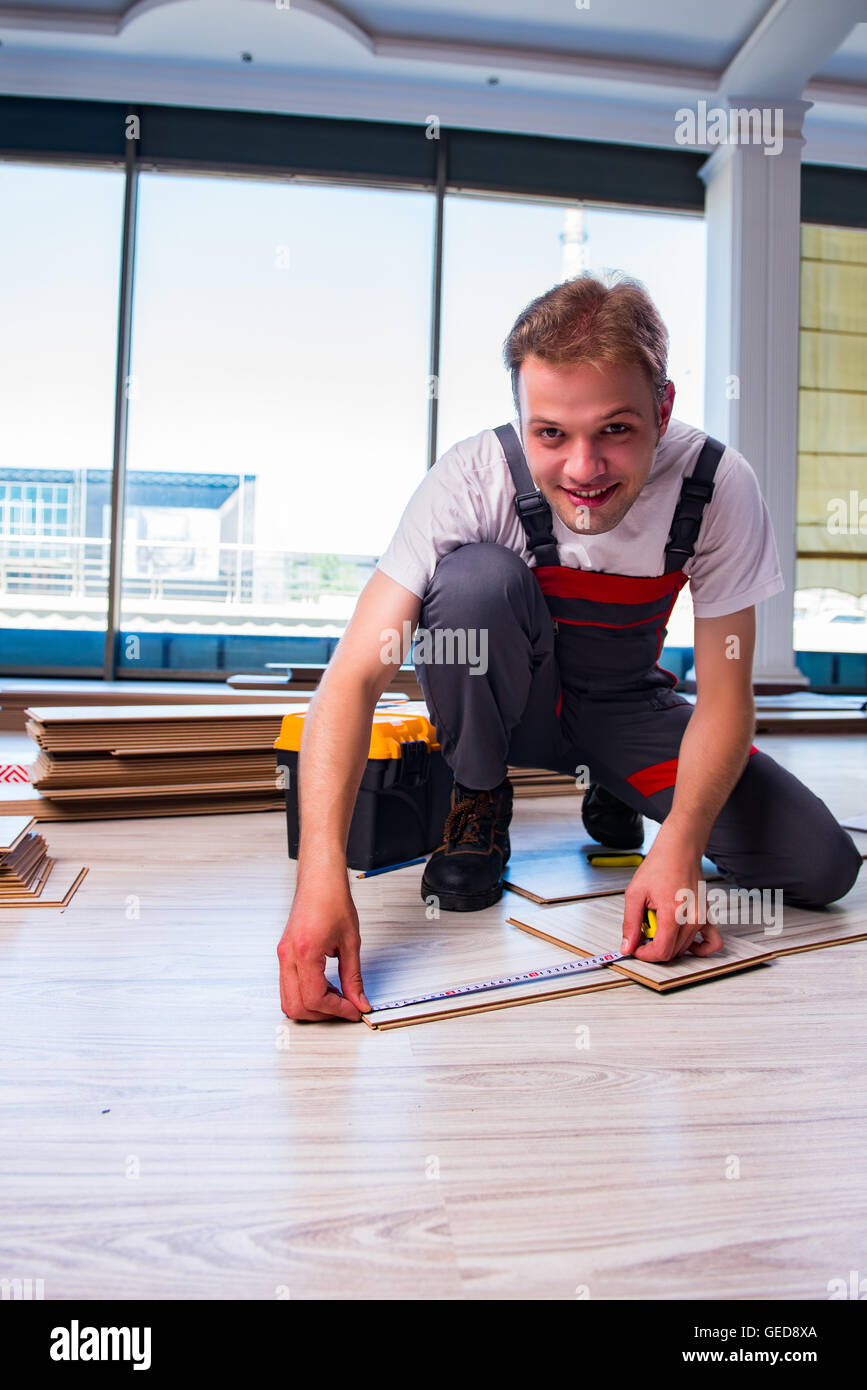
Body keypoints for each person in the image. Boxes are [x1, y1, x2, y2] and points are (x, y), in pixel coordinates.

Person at [277, 272, 861, 1023]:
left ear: (663, 406)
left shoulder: (717, 486)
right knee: (474, 584)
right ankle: (478, 796)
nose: (583, 470)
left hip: (625, 709)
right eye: (550, 434)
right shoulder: (471, 478)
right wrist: (320, 878)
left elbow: (723, 694)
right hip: (508, 709)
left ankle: (613, 785)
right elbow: (353, 677)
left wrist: (679, 843)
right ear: (522, 416)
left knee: (820, 866)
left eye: (615, 430)